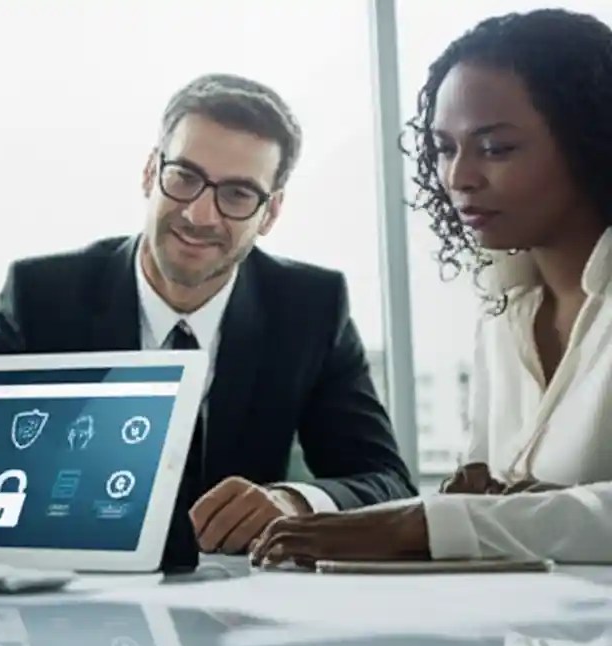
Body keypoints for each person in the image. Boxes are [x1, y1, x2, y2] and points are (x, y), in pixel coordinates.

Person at [0, 73, 413, 563]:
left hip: (234, 612)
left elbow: (386, 482)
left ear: (269, 214)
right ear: (149, 172)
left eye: (238, 194)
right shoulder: (40, 297)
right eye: (184, 177)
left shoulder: (310, 308)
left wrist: (291, 502)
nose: (200, 215)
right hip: (67, 595)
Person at [253, 9, 612, 567]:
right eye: (444, 148)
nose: (458, 177)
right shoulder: (504, 312)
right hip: (529, 645)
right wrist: (476, 502)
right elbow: (505, 517)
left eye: (495, 148)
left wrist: (435, 522)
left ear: (593, 141)